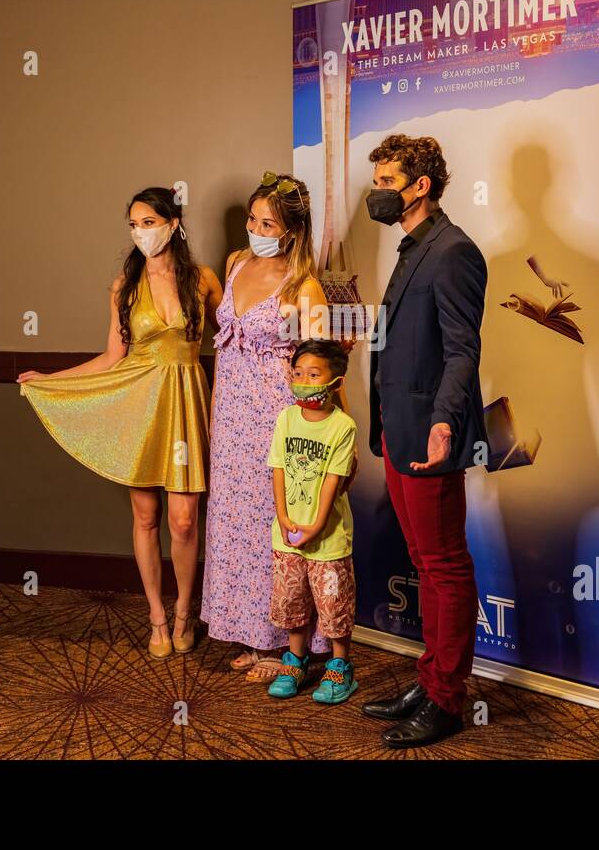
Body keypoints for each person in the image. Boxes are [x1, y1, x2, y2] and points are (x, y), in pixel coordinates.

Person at [17, 187, 223, 659]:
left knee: (185, 520)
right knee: (146, 516)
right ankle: (156, 616)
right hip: (140, 406)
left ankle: (184, 612)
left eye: (149, 221)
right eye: (134, 224)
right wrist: (52, 379)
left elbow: (231, 339)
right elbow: (113, 356)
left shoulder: (203, 280)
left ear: (173, 223)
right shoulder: (124, 287)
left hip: (186, 404)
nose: (140, 232)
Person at [358, 134, 488, 748]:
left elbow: (463, 352)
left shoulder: (454, 251)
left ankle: (447, 699)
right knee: (424, 563)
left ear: (420, 187)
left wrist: (443, 422)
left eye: (387, 183)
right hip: (399, 431)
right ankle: (430, 678)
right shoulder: (413, 247)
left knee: (444, 565)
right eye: (378, 180)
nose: (377, 193)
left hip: (430, 436)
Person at [201, 172, 335, 679]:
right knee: (236, 527)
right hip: (231, 415)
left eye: (267, 223)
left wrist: (330, 440)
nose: (256, 229)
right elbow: (224, 349)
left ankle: (287, 647)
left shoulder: (305, 286)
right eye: (252, 220)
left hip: (278, 418)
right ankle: (251, 634)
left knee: (276, 529)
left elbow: (321, 368)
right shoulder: (236, 264)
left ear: (292, 230)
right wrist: (215, 414)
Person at [265, 339, 359, 704]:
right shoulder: (286, 418)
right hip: (286, 535)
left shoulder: (343, 427)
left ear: (335, 383)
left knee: (334, 606)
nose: (303, 380)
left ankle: (340, 668)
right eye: (298, 372)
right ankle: (296, 660)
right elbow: (277, 469)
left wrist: (316, 526)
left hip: (328, 539)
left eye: (314, 374)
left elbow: (333, 483)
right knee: (292, 602)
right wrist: (284, 518)